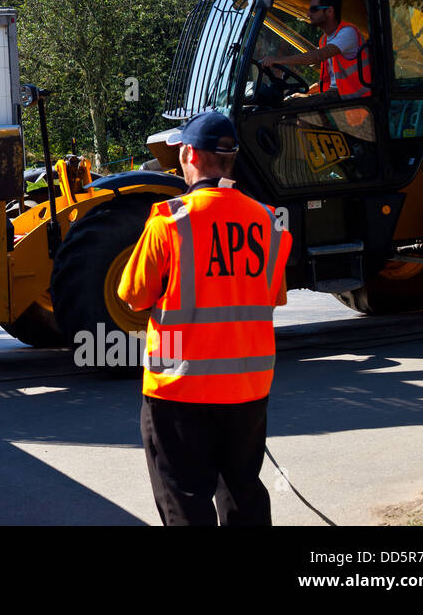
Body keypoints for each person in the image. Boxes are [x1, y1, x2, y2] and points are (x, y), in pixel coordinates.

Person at [118, 111, 293, 526]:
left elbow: (131, 297)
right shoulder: (268, 222)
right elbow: (271, 297)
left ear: (190, 154)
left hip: (179, 387)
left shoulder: (170, 221)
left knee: (184, 496)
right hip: (247, 387)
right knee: (242, 489)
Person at [260, 0, 371, 99]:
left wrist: (279, 60)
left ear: (329, 11)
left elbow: (316, 56)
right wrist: (304, 93)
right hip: (337, 96)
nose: (308, 14)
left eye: (313, 10)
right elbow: (329, 82)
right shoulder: (324, 40)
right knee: (291, 101)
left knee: (289, 110)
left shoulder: (348, 33)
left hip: (356, 101)